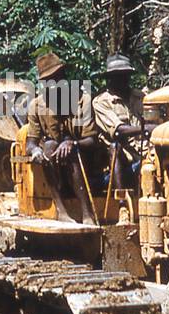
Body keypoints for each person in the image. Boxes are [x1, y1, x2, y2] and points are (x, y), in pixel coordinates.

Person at [26, 52, 97, 218]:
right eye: (49, 81)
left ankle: (87, 214)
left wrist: (73, 144)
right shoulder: (36, 105)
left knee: (70, 150)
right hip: (55, 164)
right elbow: (31, 142)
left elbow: (92, 140)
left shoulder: (83, 100)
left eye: (58, 78)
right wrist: (35, 150)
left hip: (84, 160)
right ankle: (61, 211)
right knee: (49, 145)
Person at [92, 54, 156, 190]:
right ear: (109, 79)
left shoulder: (141, 97)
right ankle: (122, 203)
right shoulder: (101, 102)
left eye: (125, 75)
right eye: (117, 76)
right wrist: (145, 128)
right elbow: (118, 131)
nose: (122, 79)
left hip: (147, 153)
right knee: (115, 146)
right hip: (123, 162)